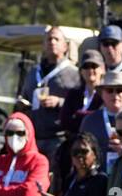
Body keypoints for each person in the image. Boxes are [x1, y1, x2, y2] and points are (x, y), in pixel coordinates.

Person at [17, 26, 79, 160]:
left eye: (57, 39)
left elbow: (81, 104)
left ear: (65, 46)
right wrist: (23, 105)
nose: (52, 42)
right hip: (32, 138)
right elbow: (25, 95)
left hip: (57, 139)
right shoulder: (34, 72)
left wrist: (59, 102)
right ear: (44, 45)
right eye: (49, 39)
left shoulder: (73, 74)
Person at [78, 70, 122, 172]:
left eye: (120, 90)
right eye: (110, 90)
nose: (115, 95)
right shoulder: (90, 121)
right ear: (102, 94)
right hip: (99, 180)